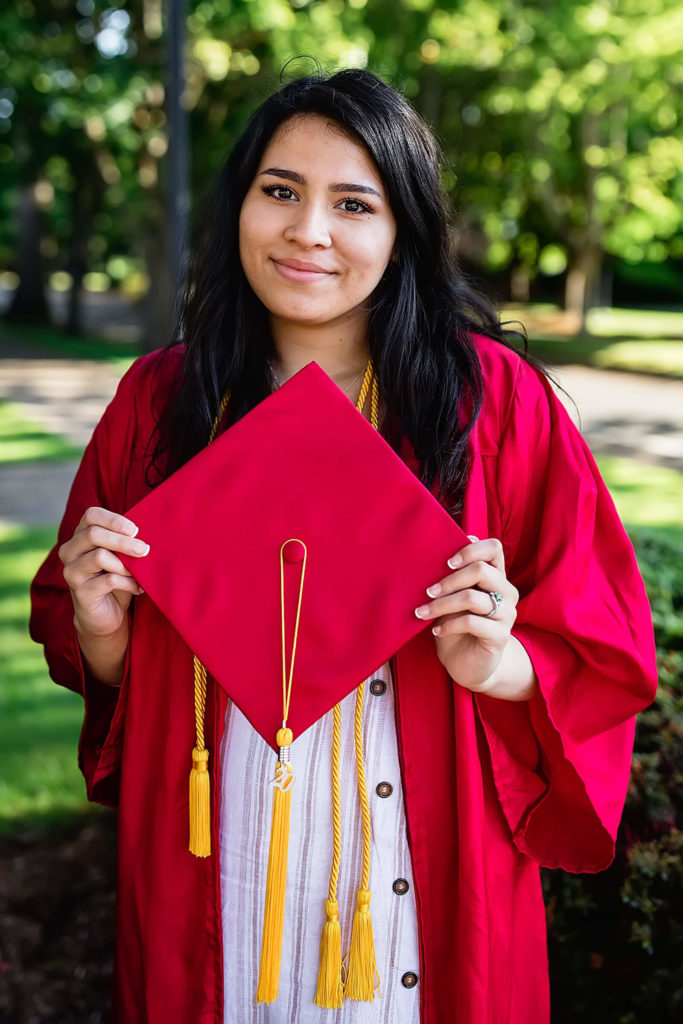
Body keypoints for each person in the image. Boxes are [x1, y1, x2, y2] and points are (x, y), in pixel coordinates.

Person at [30, 68, 657, 1024]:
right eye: (279, 190)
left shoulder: (491, 404)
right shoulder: (161, 403)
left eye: (352, 203)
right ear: (239, 203)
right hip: (213, 853)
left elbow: (602, 646)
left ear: (402, 229)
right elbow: (112, 675)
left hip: (416, 865)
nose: (307, 230)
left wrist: (502, 662)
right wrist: (100, 620)